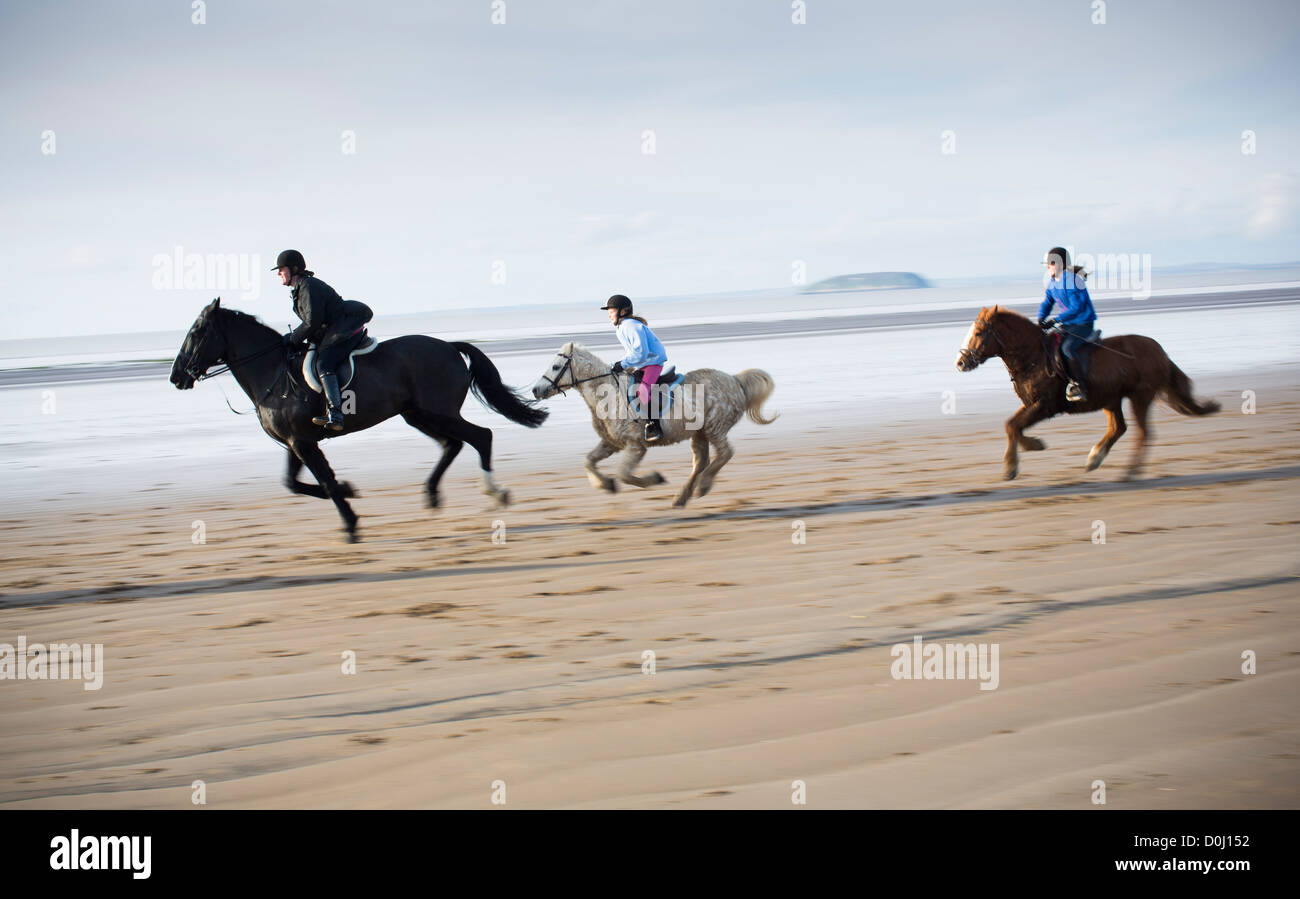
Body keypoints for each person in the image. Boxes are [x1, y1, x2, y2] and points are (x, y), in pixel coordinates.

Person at [274, 249, 373, 430]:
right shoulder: (300, 288)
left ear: (294, 269)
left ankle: (336, 414)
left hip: (346, 328)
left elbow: (313, 321)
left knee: (324, 364)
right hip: (333, 329)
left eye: (281, 269)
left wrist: (293, 339)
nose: (278, 273)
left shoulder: (308, 286)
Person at [601, 294, 669, 442]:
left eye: (611, 312)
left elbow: (641, 353)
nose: (609, 316)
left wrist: (623, 364)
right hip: (643, 363)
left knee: (642, 392)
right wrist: (621, 364)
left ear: (623, 311)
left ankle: (655, 426)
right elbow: (633, 353)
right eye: (609, 313)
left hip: (652, 363)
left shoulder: (630, 326)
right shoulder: (622, 327)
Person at [1037, 246, 1097, 402]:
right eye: (1046, 264)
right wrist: (1040, 317)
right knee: (1050, 344)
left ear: (1059, 264)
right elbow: (1047, 302)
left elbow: (1076, 308)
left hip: (1083, 323)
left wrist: (1055, 320)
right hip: (1069, 324)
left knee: (1067, 348)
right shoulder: (1052, 282)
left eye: (1049, 264)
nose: (1047, 267)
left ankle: (1079, 385)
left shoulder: (1072, 280)